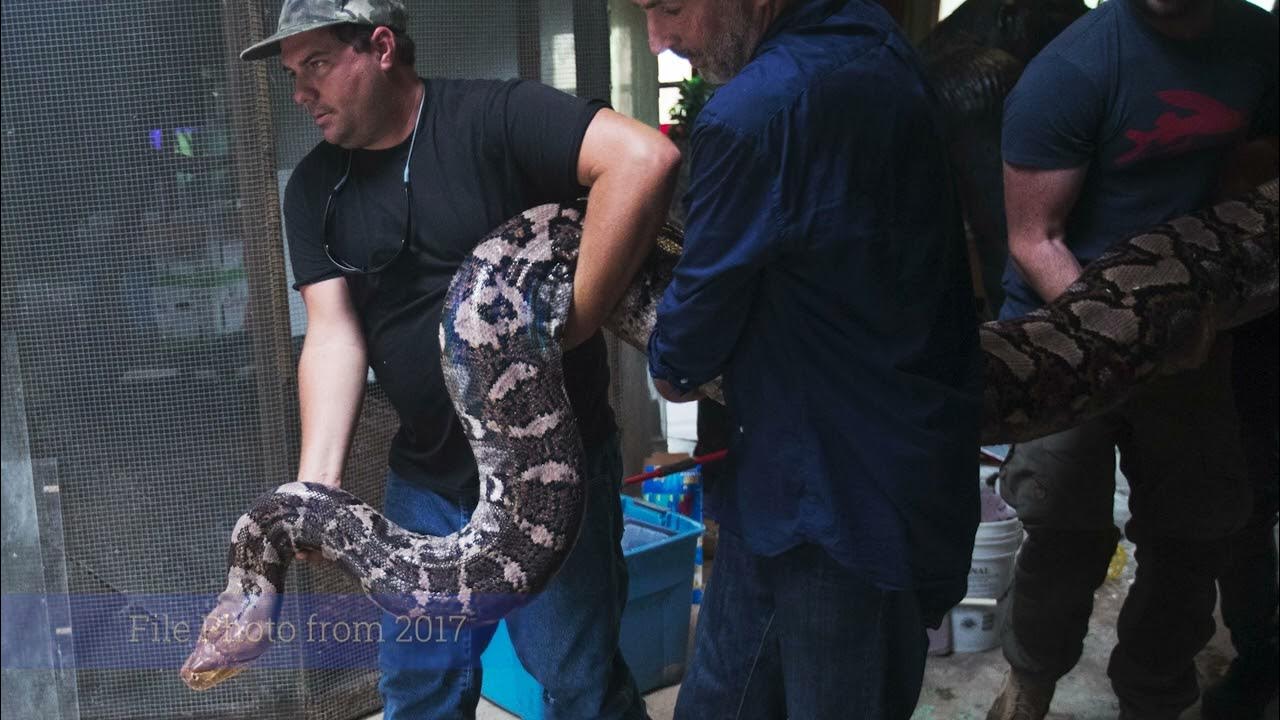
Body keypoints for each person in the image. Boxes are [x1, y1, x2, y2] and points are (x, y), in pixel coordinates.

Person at [239, 2, 681, 718]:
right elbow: (333, 334)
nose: (301, 93)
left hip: (551, 475)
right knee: (418, 689)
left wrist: (570, 328)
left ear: (380, 47)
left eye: (316, 65)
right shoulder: (314, 188)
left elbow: (645, 159)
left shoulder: (495, 119)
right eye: (294, 74)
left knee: (578, 677)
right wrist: (314, 494)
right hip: (427, 481)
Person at [636, 0, 984, 717]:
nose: (658, 42)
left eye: (669, 7)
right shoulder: (875, 42)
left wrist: (666, 359)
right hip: (825, 481)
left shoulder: (750, 116)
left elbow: (683, 354)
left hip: (837, 503)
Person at [987, 0, 1278, 715]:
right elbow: (1035, 239)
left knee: (1194, 531)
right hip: (1061, 330)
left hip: (1191, 324)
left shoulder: (1259, 40)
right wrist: (1124, 341)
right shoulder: (1071, 73)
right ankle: (1029, 685)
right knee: (1064, 531)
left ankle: (1153, 694)